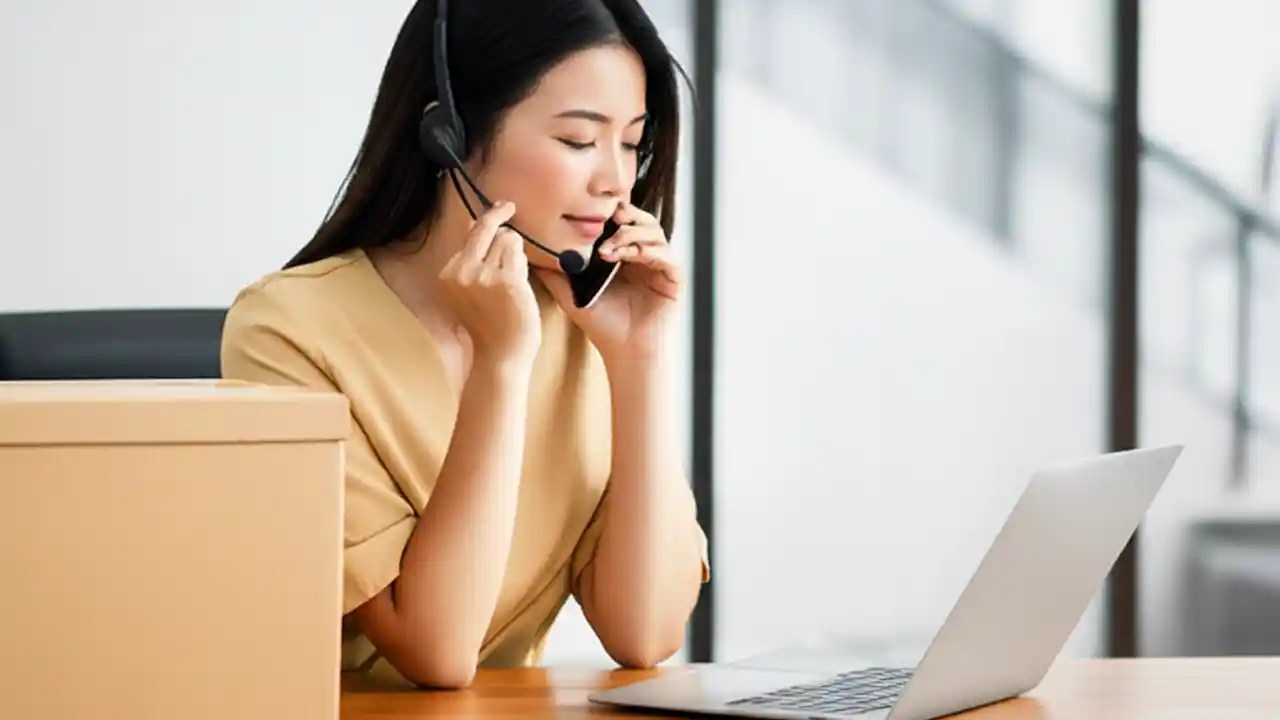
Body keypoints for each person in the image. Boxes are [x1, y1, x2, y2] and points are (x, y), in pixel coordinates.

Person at [219, 0, 709, 690]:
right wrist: (502, 366)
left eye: (630, 142)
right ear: (448, 134)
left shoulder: (585, 317)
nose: (615, 180)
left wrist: (638, 359)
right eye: (578, 140)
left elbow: (645, 632)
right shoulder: (289, 329)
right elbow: (436, 653)